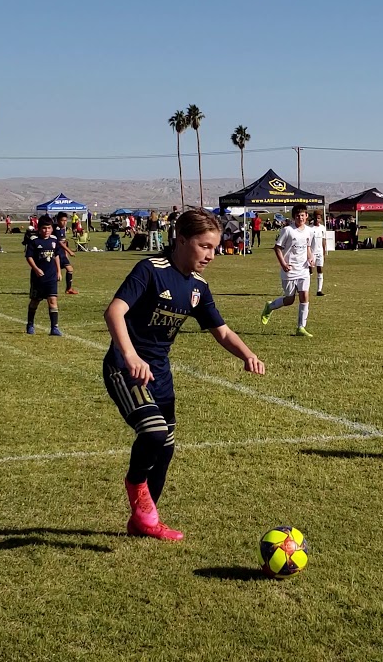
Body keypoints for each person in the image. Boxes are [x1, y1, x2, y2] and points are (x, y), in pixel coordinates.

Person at [104, 209, 264, 541]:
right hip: (125, 367)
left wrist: (247, 354)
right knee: (152, 432)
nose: (211, 255)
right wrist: (130, 355)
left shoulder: (198, 288)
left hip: (160, 374)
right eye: (205, 246)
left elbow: (221, 331)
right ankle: (135, 484)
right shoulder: (150, 270)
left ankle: (144, 523)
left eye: (214, 248)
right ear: (181, 240)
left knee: (165, 448)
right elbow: (114, 311)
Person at [260, 203, 315, 336]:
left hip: (303, 269)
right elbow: (277, 248)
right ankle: (270, 306)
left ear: (306, 216)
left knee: (304, 296)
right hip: (289, 270)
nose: (300, 218)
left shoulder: (309, 231)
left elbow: (308, 247)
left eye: (302, 215)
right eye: (297, 215)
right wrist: (283, 264)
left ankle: (301, 328)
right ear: (293, 217)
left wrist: (311, 258)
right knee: (290, 300)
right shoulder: (287, 230)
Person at [25, 216, 63, 336]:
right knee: (35, 301)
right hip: (38, 278)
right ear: (39, 228)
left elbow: (56, 256)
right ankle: (30, 324)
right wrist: (36, 269)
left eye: (49, 228)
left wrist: (59, 271)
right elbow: (29, 256)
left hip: (51, 277)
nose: (46, 231)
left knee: (52, 300)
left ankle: (54, 328)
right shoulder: (34, 240)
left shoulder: (53, 240)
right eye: (44, 228)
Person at [54, 211, 78, 295]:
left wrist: (66, 254)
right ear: (57, 220)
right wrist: (69, 251)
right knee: (53, 272)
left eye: (65, 220)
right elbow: (60, 243)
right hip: (56, 253)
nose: (64, 222)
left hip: (62, 254)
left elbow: (64, 242)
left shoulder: (63, 229)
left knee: (70, 269)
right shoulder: (56, 229)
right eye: (62, 220)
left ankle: (69, 289)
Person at [309, 210, 328, 296]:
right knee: (309, 271)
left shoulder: (322, 228)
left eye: (319, 218)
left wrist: (324, 253)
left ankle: (319, 290)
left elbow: (324, 240)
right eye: (316, 218)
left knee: (320, 269)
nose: (317, 220)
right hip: (312, 252)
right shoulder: (310, 229)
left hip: (320, 252)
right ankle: (305, 288)